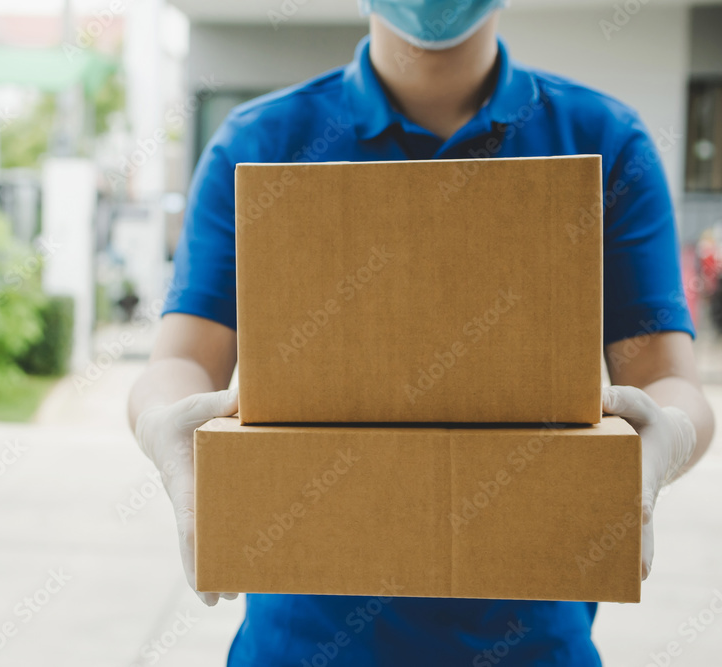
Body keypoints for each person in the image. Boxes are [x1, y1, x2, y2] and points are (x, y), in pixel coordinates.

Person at [127, 1, 716, 664]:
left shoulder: (602, 137)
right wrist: (164, 421)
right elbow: (182, 359)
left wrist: (668, 437)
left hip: (534, 643)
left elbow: (667, 378)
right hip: (305, 646)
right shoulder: (262, 140)